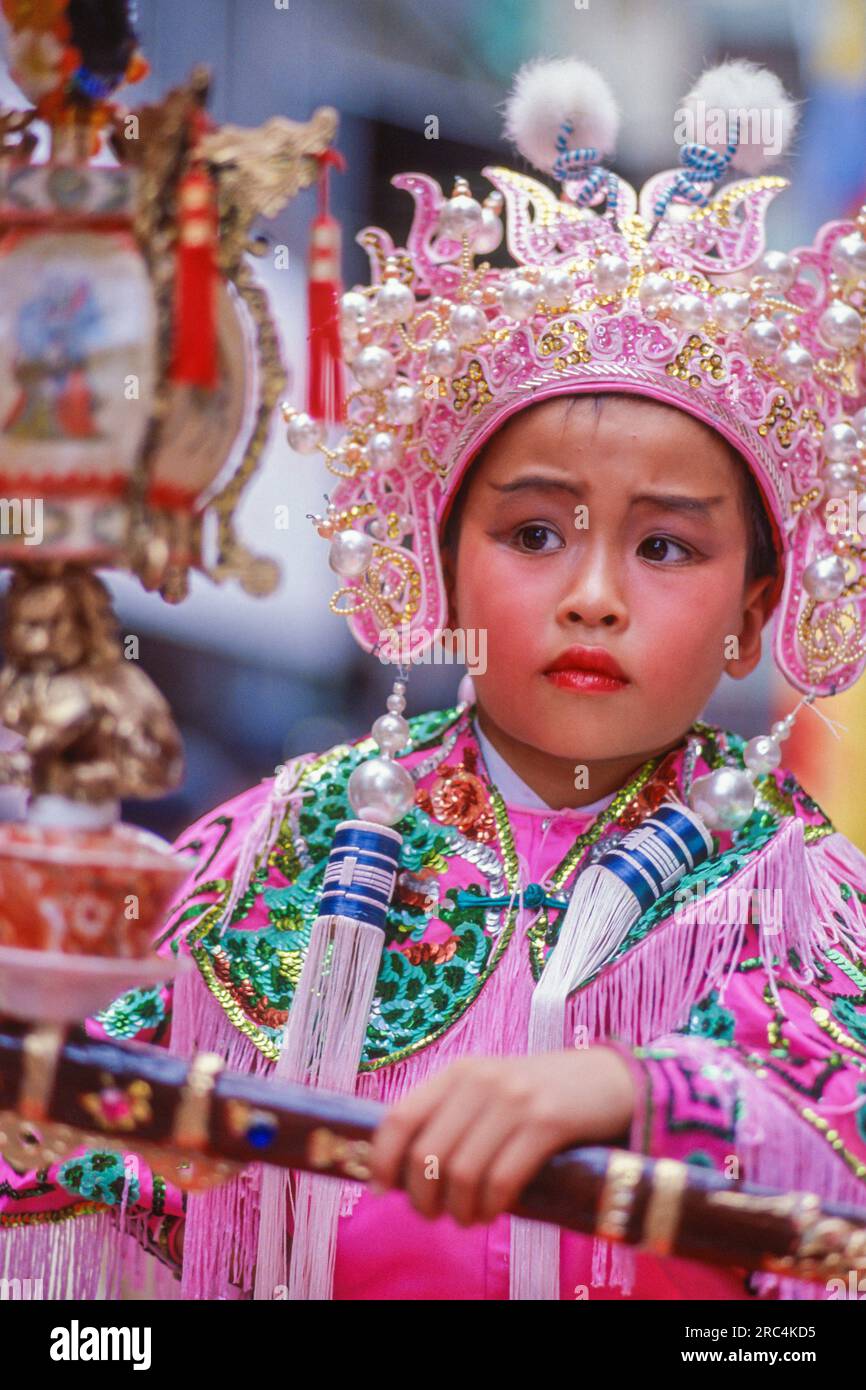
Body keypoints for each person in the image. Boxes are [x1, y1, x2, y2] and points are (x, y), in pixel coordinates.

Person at [4, 56, 866, 1302]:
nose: (592, 594)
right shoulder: (280, 845)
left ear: (750, 615)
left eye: (665, 546)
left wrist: (637, 1085)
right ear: (441, 568)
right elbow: (82, 1148)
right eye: (532, 534)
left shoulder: (793, 886)